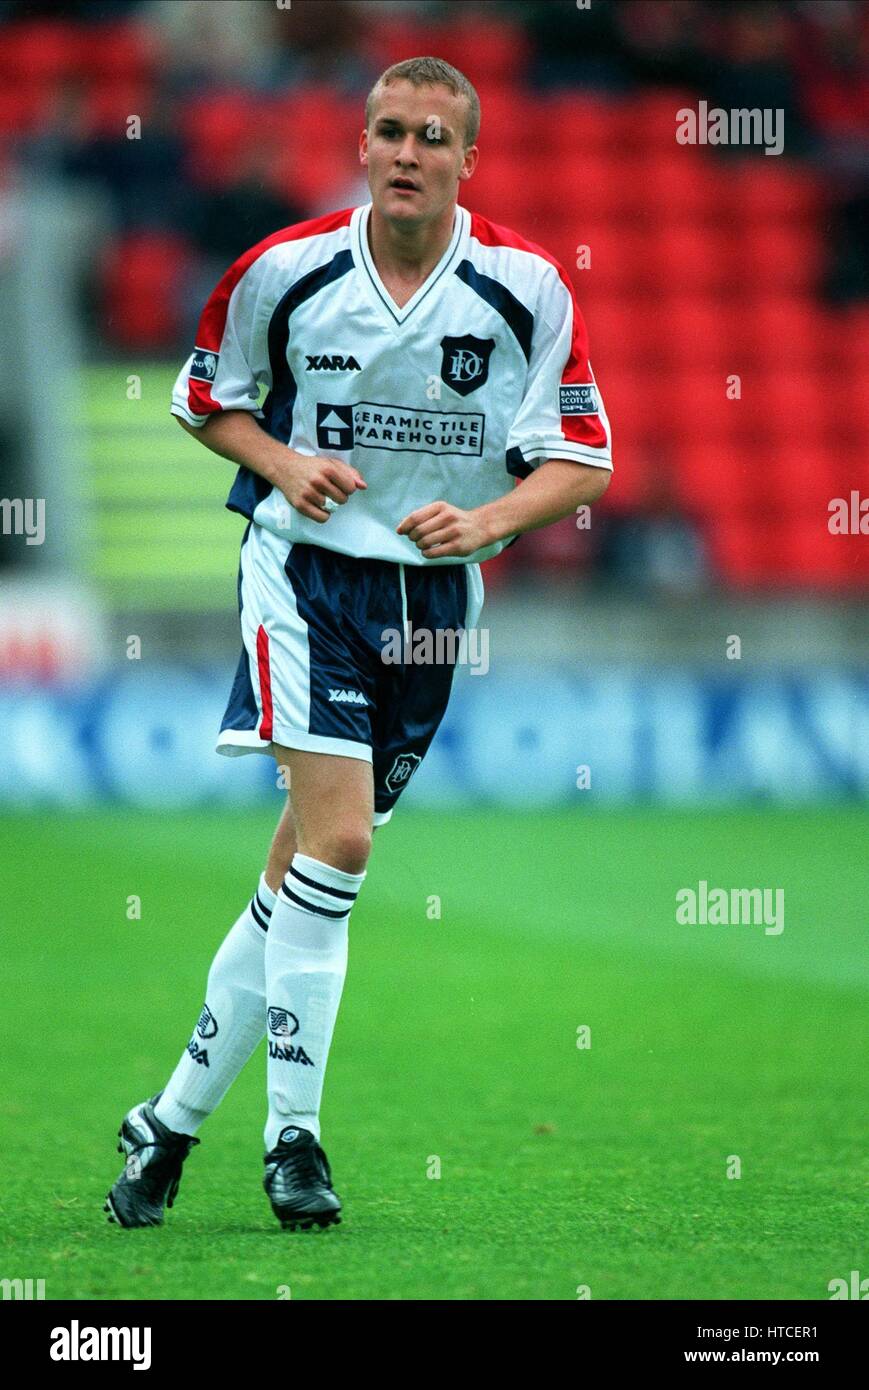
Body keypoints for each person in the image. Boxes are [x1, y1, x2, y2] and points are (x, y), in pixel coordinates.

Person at [104, 56, 612, 1233]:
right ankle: (293, 1139)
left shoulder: (524, 289)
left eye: (431, 137)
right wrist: (281, 464)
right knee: (340, 844)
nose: (405, 153)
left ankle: (166, 1123)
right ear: (361, 144)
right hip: (303, 577)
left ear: (468, 159)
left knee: (297, 878)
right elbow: (204, 399)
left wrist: (488, 520)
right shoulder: (284, 271)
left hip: (431, 604)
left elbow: (585, 459)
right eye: (388, 131)